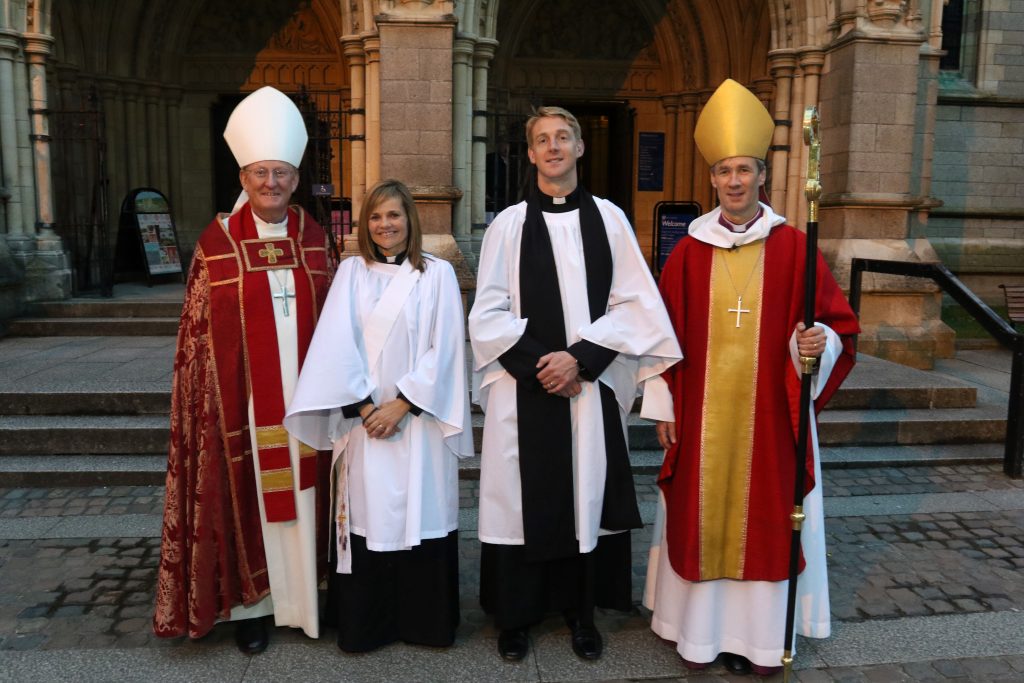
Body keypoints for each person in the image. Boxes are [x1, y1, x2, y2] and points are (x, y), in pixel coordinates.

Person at [641, 79, 861, 676]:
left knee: (764, 520)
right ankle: (698, 635)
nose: (734, 182)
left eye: (744, 170)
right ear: (711, 179)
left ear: (762, 175)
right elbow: (663, 338)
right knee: (700, 515)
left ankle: (760, 642)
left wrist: (816, 344)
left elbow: (838, 326)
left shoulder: (794, 247)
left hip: (771, 418)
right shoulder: (688, 251)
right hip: (703, 420)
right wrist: (663, 406)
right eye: (723, 171)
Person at [469, 106, 681, 662]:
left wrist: (580, 361)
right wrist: (545, 365)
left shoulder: (610, 220)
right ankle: (515, 618)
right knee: (517, 499)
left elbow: (638, 304)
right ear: (531, 153)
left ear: (580, 148)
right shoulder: (508, 225)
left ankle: (580, 615)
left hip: (587, 387)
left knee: (583, 495)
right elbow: (487, 312)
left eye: (563, 137)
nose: (554, 147)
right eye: (542, 140)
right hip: (525, 389)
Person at [153, 86, 333, 653]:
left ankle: (308, 598)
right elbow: (197, 340)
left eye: (281, 173)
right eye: (261, 173)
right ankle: (254, 606)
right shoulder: (218, 243)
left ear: (296, 179)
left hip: (310, 402)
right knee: (253, 498)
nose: (271, 184)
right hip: (247, 406)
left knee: (307, 497)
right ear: (244, 177)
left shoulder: (315, 239)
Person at [284, 179, 474, 652]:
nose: (385, 225)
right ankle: (367, 625)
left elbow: (447, 347)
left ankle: (423, 623)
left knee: (422, 510)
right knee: (370, 516)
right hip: (364, 422)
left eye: (393, 215)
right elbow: (335, 345)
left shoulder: (438, 275)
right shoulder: (352, 274)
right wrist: (367, 408)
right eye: (375, 216)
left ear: (410, 218)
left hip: (420, 424)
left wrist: (403, 404)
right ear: (364, 224)